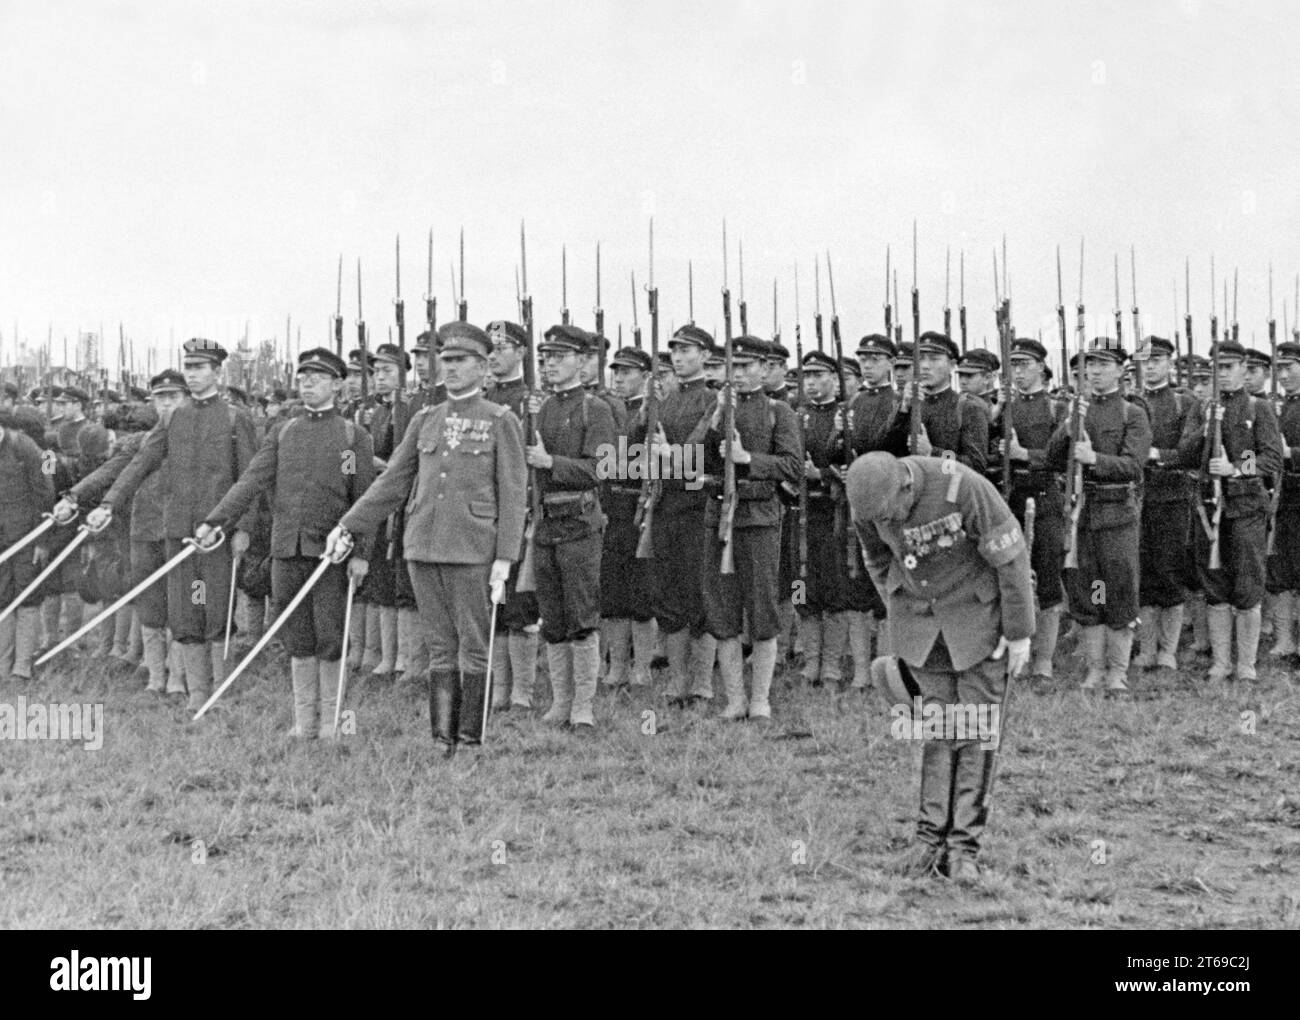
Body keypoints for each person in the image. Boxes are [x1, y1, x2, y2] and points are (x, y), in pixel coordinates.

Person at [332, 322, 526, 752]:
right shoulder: (425, 419)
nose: (451, 369)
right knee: (439, 646)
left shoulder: (500, 420)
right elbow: (392, 484)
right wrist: (349, 525)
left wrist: (505, 558)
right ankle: (442, 739)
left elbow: (513, 493)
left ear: (482, 367)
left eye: (462, 361)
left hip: (474, 547)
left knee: (473, 646)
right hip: (423, 545)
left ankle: (470, 738)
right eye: (447, 360)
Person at [849, 452, 1033, 882]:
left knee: (976, 735)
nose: (886, 521)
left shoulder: (962, 487)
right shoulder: (868, 505)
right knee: (937, 732)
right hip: (924, 631)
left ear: (907, 488)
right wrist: (900, 608)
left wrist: (1019, 631)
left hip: (978, 624)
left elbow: (1011, 559)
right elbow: (877, 560)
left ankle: (963, 850)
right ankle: (929, 841)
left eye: (890, 512)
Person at [195, 349, 374, 738]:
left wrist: (360, 553)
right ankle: (302, 722)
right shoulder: (284, 432)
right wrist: (215, 521)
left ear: (337, 384)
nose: (307, 383)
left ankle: (332, 723)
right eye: (303, 376)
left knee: (330, 635)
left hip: (331, 554)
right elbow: (250, 481)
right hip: (285, 551)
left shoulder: (351, 437)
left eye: (318, 377)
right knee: (296, 635)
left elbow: (362, 498)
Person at [87, 339, 259, 712]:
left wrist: (242, 527)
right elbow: (141, 463)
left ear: (217, 372)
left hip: (218, 535)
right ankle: (196, 691)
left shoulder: (234, 419)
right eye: (189, 367)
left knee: (214, 608)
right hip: (178, 532)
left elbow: (250, 477)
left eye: (199, 368)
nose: (192, 374)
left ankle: (220, 689)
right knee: (186, 609)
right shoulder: (174, 418)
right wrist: (108, 503)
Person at [701, 335, 802, 721]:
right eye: (733, 367)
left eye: (746, 367)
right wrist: (713, 424)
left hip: (759, 517)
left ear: (764, 368)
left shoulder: (779, 412)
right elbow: (698, 462)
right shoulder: (717, 409)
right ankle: (734, 699)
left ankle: (760, 699)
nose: (738, 374)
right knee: (722, 609)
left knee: (762, 609)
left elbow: (792, 467)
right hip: (719, 515)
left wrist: (748, 458)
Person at [1045, 341, 1152, 692]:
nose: (1094, 371)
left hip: (1116, 513)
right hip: (1082, 514)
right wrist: (1070, 423)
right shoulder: (1077, 409)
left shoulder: (1131, 413)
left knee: (1118, 587)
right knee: (1091, 588)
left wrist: (1094, 460)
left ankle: (1117, 671)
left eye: (1103, 365)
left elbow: (1134, 466)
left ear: (1121, 370)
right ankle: (1095, 668)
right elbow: (1051, 457)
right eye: (1089, 365)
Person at [525, 323, 616, 730]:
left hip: (579, 523)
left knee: (582, 616)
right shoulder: (543, 409)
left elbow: (603, 468)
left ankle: (583, 706)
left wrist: (551, 464)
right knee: (553, 617)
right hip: (545, 524)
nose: (549, 365)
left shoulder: (594, 410)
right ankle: (561, 702)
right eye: (546, 358)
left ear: (581, 362)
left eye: (559, 357)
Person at [1174, 340, 1282, 682]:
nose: (1221, 374)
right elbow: (1185, 454)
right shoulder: (1202, 407)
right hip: (1209, 508)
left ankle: (1246, 664)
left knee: (1248, 584)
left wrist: (1237, 466)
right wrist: (1206, 428)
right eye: (1216, 368)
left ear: (1242, 369)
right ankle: (1221, 662)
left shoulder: (1257, 408)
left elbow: (1269, 458)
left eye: (1228, 367)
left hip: (1246, 507)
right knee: (1214, 585)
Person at [630, 325, 718, 707]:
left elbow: (712, 457)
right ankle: (677, 680)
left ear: (705, 356)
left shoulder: (714, 401)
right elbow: (631, 451)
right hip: (665, 507)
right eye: (675, 351)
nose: (679, 357)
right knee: (668, 595)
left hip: (699, 507)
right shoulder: (664, 402)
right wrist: (646, 410)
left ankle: (701, 682)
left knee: (701, 594)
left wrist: (671, 457)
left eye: (687, 350)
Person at [1132, 336, 1199, 672]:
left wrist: (1157, 455)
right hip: (1136, 498)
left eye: (1157, 360)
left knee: (1169, 571)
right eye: (1146, 361)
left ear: (1170, 363)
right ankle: (1146, 648)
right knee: (1142, 574)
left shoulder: (1184, 403)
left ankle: (1169, 650)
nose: (1151, 366)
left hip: (1172, 497)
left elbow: (1191, 450)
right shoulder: (1131, 401)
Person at [1003, 339, 1068, 682]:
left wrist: (1023, 454)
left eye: (1025, 364)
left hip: (1046, 498)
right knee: (1013, 579)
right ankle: (1016, 652)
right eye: (1013, 365)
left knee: (1047, 577)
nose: (1018, 372)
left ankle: (1045, 659)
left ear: (1042, 367)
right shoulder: (1004, 408)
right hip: (1010, 499)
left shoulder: (1058, 409)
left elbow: (1062, 458)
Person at [485, 319, 541, 710]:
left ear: (521, 352)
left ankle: (522, 691)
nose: (494, 354)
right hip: (484, 509)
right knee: (494, 601)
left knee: (521, 606)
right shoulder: (481, 398)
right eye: (490, 347)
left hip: (521, 507)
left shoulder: (533, 400)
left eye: (503, 347)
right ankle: (499, 689)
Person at [599, 345, 657, 691]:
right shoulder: (606, 410)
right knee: (612, 595)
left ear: (645, 377)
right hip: (611, 506)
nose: (619, 378)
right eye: (616, 372)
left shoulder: (653, 413)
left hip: (641, 506)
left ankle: (642, 666)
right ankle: (617, 666)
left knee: (642, 594)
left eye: (627, 372)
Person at [0, 406, 56, 681]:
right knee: (2, 597)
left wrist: (41, 540)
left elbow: (45, 493)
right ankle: (3, 663)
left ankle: (22, 664)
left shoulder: (25, 448)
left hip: (26, 537)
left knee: (27, 595)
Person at [1265, 341, 1300, 657]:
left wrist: (1292, 454)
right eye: (1280, 370)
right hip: (1282, 498)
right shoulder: (1278, 406)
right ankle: (1285, 640)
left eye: (1290, 368)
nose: (1284, 375)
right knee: (1281, 572)